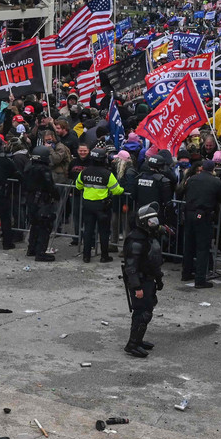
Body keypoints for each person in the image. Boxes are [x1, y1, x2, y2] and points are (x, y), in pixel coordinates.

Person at [122, 202, 165, 358]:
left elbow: (153, 262)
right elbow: (131, 267)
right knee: (142, 313)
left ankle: (138, 340)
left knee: (147, 310)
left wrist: (158, 279)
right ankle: (132, 344)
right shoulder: (135, 240)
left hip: (148, 280)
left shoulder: (147, 237)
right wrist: (137, 287)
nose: (154, 224)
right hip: (140, 282)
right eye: (151, 221)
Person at [181, 159, 221, 288]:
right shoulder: (216, 182)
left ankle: (186, 273)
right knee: (202, 248)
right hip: (203, 216)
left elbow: (183, 192)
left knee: (189, 245)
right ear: (213, 169)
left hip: (189, 213)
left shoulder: (192, 179)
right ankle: (200, 279)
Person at [75, 147, 124, 262]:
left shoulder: (84, 172)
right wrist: (123, 190)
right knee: (104, 232)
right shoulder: (107, 174)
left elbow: (78, 186)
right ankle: (104, 256)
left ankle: (86, 256)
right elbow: (116, 190)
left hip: (87, 205)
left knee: (88, 231)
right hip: (102, 207)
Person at [23, 143, 58, 261]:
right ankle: (41, 253)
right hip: (42, 201)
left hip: (31, 199)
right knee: (44, 226)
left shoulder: (28, 167)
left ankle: (31, 249)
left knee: (34, 225)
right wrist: (56, 195)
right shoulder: (44, 170)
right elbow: (50, 186)